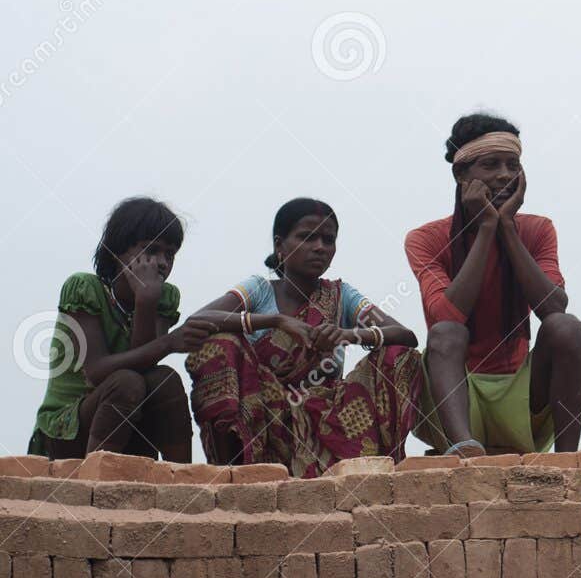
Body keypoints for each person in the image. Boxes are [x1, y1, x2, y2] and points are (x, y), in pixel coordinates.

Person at [185, 198, 424, 476]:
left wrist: (347, 335)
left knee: (398, 356)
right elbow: (199, 320)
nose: (320, 247)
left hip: (328, 421)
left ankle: (372, 468)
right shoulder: (260, 290)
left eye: (328, 239)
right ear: (279, 245)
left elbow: (405, 336)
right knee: (219, 344)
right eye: (307, 237)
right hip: (262, 413)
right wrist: (277, 321)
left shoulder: (341, 295)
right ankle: (237, 469)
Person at [405, 112, 581, 457]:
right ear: (461, 175)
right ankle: (464, 449)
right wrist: (486, 229)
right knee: (445, 334)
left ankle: (568, 461)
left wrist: (506, 227)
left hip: (521, 397)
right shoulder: (425, 239)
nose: (505, 175)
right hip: (457, 396)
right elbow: (446, 316)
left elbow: (552, 307)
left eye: (513, 164)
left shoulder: (537, 230)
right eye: (490, 165)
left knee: (567, 327)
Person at [28, 197, 209, 461]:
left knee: (164, 380)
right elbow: (98, 371)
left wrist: (145, 303)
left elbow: (147, 370)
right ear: (117, 253)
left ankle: (182, 481)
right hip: (69, 433)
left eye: (169, 254)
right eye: (151, 250)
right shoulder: (85, 289)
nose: (161, 262)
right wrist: (168, 341)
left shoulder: (165, 297)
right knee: (126, 382)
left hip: (131, 425)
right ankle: (94, 481)